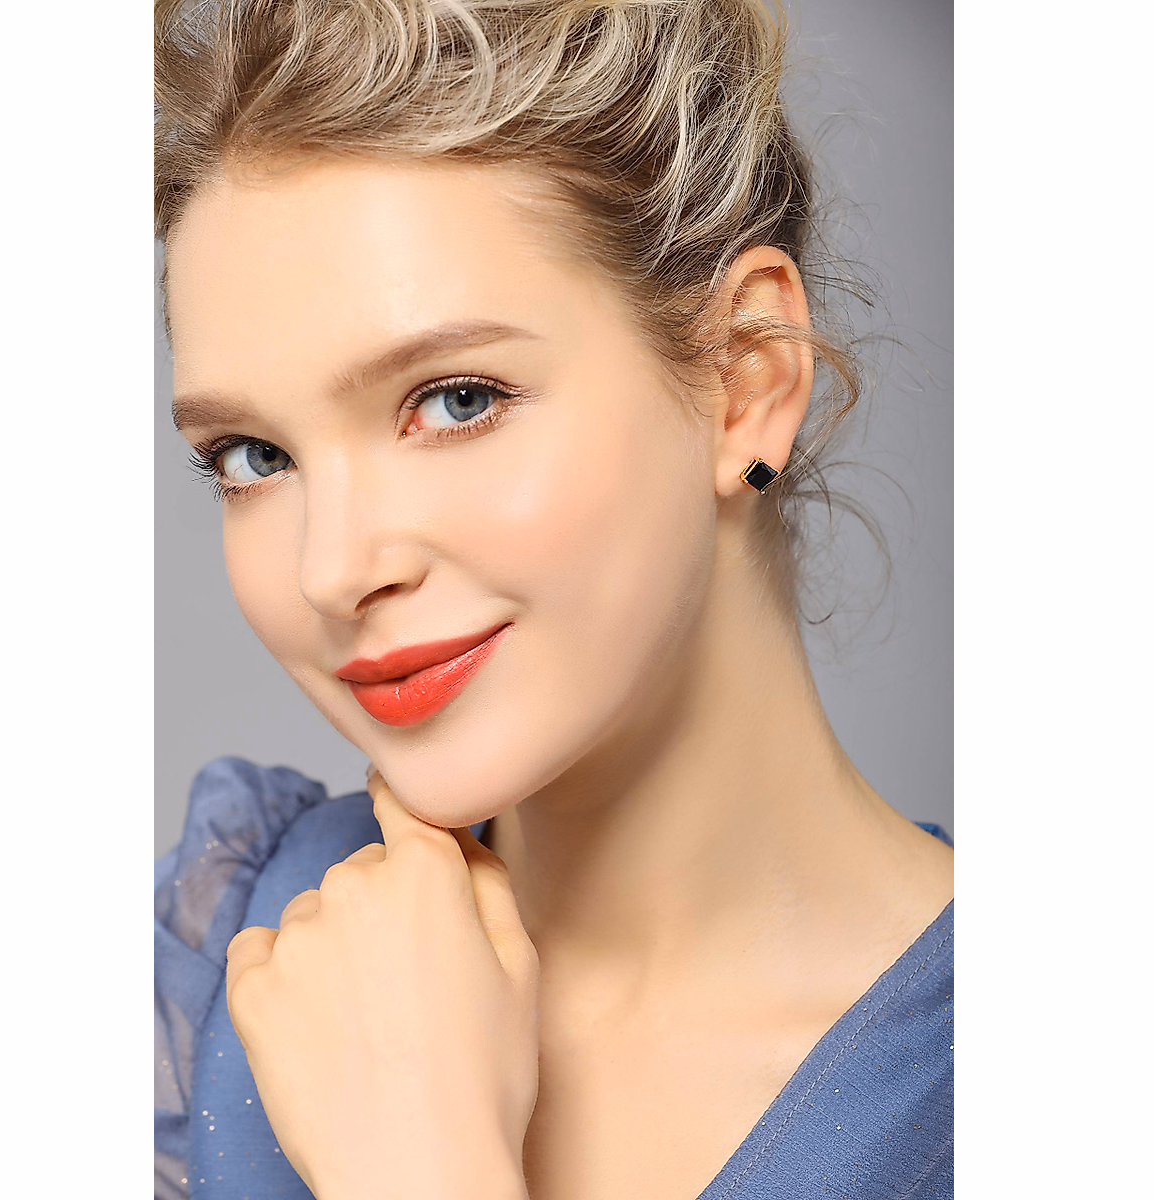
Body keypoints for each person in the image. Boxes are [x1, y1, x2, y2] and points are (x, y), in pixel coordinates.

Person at [153, 1, 954, 1197]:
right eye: (254, 457)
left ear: (745, 380)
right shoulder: (237, 953)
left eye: (457, 400)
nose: (332, 570)